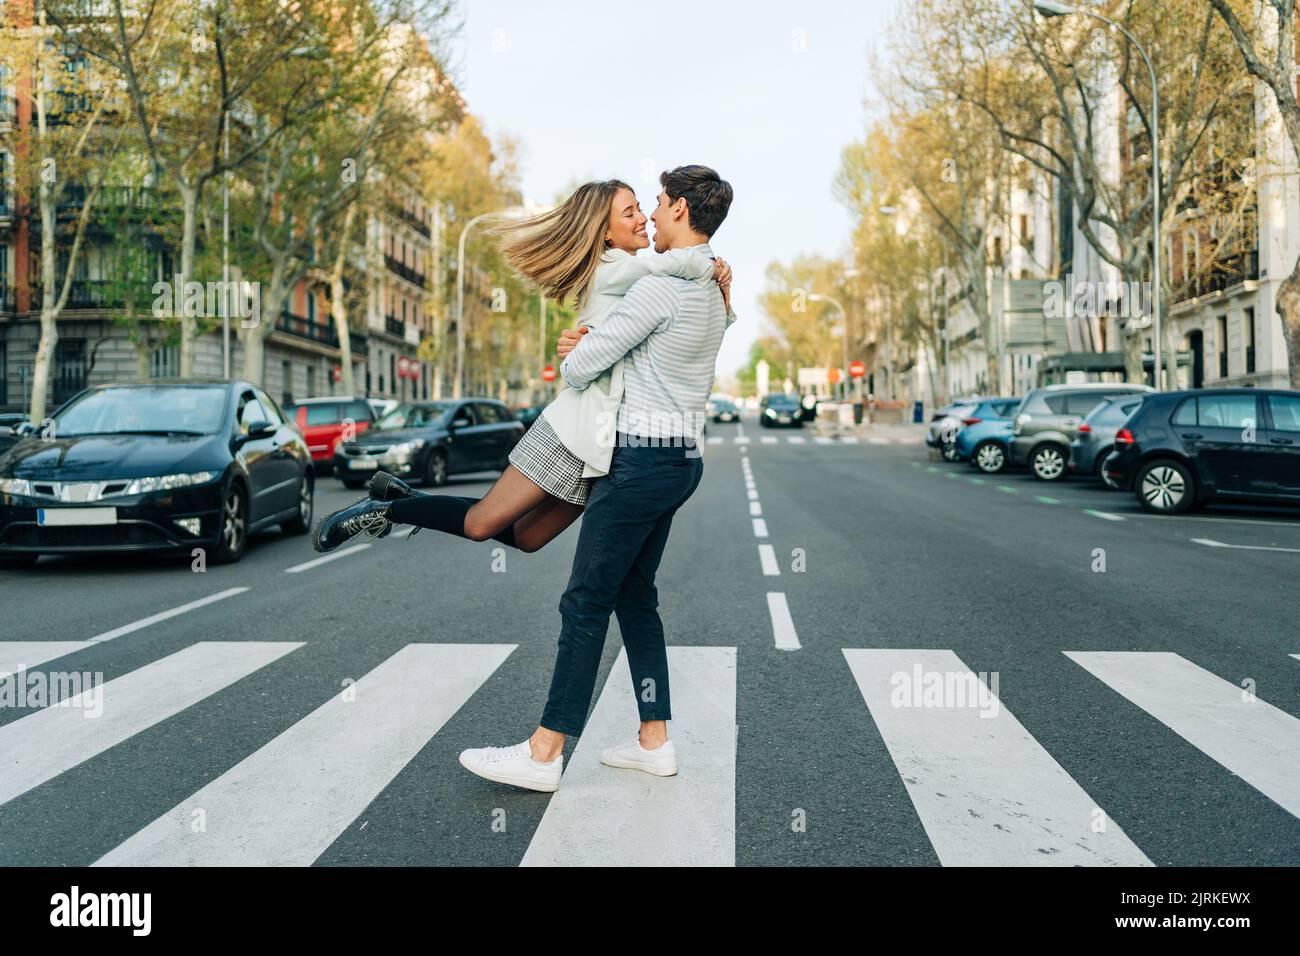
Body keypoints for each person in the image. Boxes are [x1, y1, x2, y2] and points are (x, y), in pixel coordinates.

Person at [457, 164, 735, 793]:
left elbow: (581, 370)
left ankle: (543, 752)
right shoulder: (714, 292)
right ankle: (653, 740)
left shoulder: (657, 290)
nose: (653, 213)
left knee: (584, 602)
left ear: (683, 212)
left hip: (635, 462)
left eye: (659, 203)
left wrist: (577, 345)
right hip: (679, 461)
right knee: (636, 601)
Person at [310, 178, 733, 554]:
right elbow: (672, 265)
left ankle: (407, 500)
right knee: (480, 525)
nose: (643, 218)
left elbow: (675, 327)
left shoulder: (632, 274)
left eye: (643, 207)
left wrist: (722, 298)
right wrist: (707, 263)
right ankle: (391, 509)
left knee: (528, 538)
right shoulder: (613, 267)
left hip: (603, 443)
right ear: (603, 232)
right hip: (573, 426)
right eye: (631, 212)